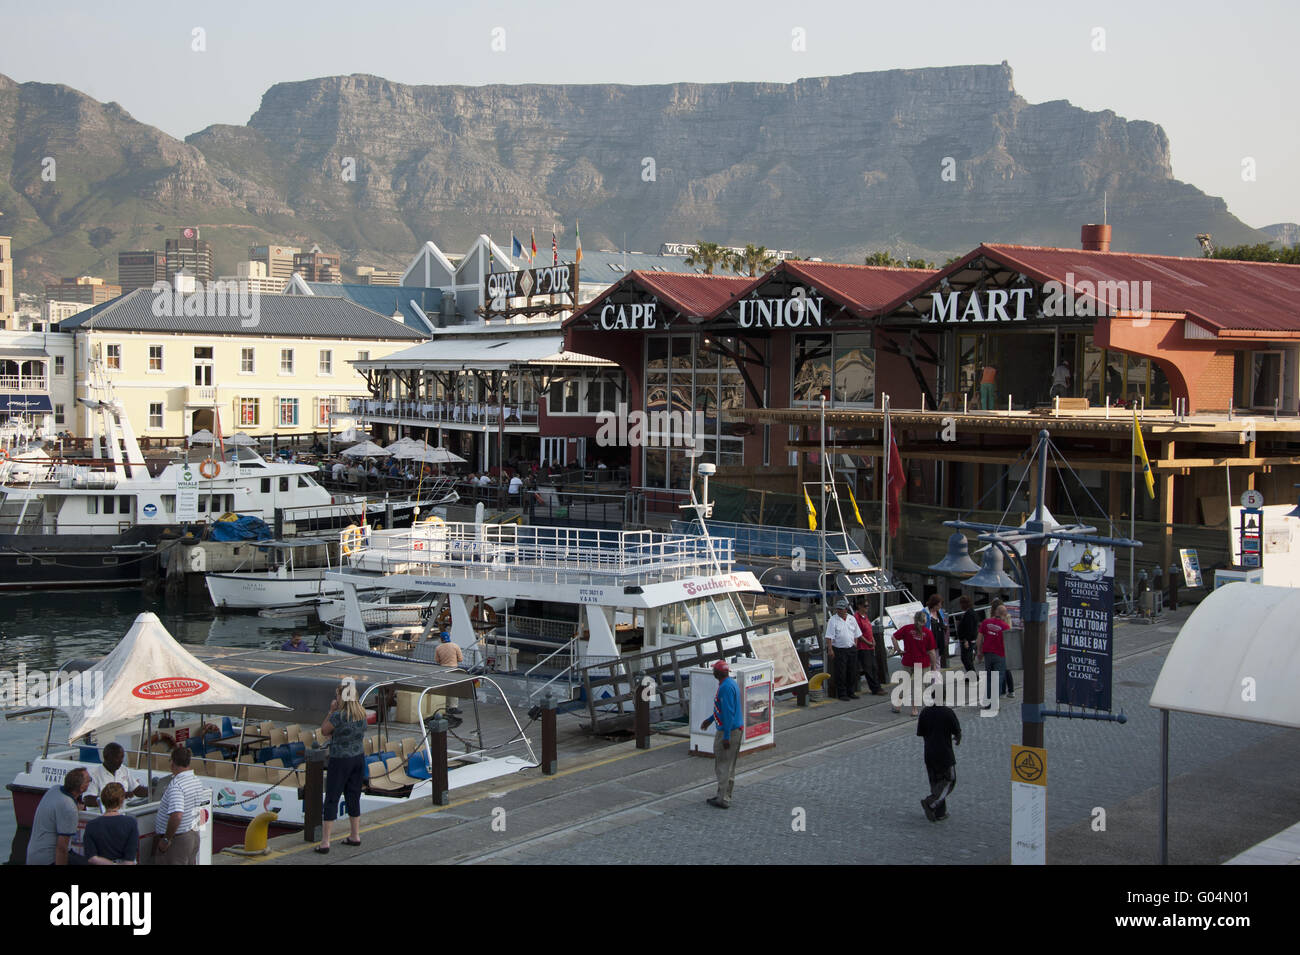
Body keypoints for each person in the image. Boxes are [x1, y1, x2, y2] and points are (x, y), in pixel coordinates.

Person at [317, 677, 367, 852]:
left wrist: (330, 711)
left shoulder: (339, 715)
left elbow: (324, 731)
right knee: (353, 796)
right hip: (358, 757)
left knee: (332, 797)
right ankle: (355, 835)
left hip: (340, 760)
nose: (336, 699)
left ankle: (325, 842)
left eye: (337, 696)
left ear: (343, 697)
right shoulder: (362, 713)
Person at [151, 748, 207, 865]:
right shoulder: (196, 781)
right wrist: (196, 832)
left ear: (173, 763)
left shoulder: (177, 786)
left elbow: (177, 815)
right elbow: (200, 810)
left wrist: (166, 839)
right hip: (193, 835)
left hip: (178, 840)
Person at [699, 660, 742, 808]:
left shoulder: (725, 688)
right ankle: (724, 796)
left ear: (718, 673)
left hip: (727, 730)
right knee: (729, 766)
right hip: (735, 729)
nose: (713, 672)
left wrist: (726, 736)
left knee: (722, 765)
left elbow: (728, 714)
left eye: (714, 670)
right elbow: (724, 709)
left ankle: (722, 799)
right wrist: (710, 720)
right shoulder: (731, 684)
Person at [27, 767, 90, 865]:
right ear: (82, 788)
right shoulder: (70, 809)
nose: (90, 781)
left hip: (33, 855)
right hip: (49, 859)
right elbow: (62, 848)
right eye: (88, 780)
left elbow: (61, 806)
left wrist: (76, 807)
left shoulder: (54, 789)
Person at [917, 703, 961, 822]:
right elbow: (957, 731)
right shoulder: (948, 712)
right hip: (944, 754)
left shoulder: (925, 712)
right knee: (949, 780)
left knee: (936, 782)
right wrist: (957, 739)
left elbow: (920, 732)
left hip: (929, 753)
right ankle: (931, 803)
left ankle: (940, 812)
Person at [892, 610, 939, 716]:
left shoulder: (907, 629)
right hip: (922, 663)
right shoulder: (928, 633)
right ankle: (914, 709)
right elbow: (931, 652)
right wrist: (934, 667)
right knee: (919, 686)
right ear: (924, 621)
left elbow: (893, 637)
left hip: (908, 661)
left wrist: (898, 650)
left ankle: (898, 705)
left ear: (914, 619)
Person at [83, 783, 139, 865]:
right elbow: (129, 860)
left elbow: (92, 858)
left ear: (102, 799)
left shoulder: (91, 825)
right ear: (122, 800)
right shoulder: (130, 823)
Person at [85, 742, 149, 809]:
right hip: (102, 814)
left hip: (123, 812)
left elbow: (137, 789)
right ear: (106, 757)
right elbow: (88, 800)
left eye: (122, 757)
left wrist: (154, 791)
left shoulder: (124, 769)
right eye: (117, 758)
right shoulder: (94, 774)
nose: (121, 761)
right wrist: (120, 796)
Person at [977, 603, 1014, 703]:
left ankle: (987, 700)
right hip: (1000, 655)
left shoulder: (986, 622)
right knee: (997, 679)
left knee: (989, 678)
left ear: (995, 612)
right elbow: (1009, 644)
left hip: (987, 654)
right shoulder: (1005, 627)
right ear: (1005, 614)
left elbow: (979, 638)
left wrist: (979, 652)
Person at [824, 600, 861, 701]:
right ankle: (842, 693)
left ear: (846, 609)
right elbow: (829, 637)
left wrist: (855, 644)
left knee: (852, 671)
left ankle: (851, 691)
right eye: (838, 609)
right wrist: (830, 649)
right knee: (841, 672)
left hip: (851, 648)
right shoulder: (833, 620)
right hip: (839, 649)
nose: (839, 611)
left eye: (841, 609)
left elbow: (856, 633)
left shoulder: (852, 618)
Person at [852, 599, 883, 695]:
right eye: (865, 606)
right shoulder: (856, 617)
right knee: (868, 668)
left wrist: (873, 640)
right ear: (859, 606)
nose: (867, 608)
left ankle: (878, 686)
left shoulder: (865, 616)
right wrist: (868, 642)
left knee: (874, 667)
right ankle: (875, 688)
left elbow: (869, 629)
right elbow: (858, 634)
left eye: (868, 606)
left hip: (870, 646)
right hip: (863, 647)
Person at [926, 594, 950, 668]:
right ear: (934, 604)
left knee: (937, 661)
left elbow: (943, 623)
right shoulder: (925, 612)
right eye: (939, 604)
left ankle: (937, 679)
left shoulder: (939, 612)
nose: (940, 606)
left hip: (938, 641)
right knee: (929, 662)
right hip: (929, 641)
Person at [957, 595, 979, 673]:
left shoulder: (969, 614)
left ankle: (972, 675)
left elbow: (969, 628)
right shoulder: (971, 612)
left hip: (967, 640)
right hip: (970, 639)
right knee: (968, 659)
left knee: (966, 658)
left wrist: (966, 640)